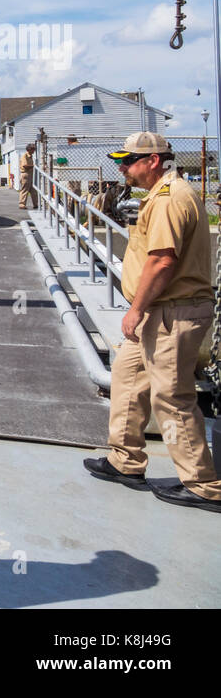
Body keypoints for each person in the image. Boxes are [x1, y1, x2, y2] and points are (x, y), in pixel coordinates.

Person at [83, 133, 221, 511]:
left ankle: (202, 484)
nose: (122, 167)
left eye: (128, 160)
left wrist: (136, 309)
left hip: (171, 312)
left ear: (154, 160)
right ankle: (124, 461)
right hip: (158, 312)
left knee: (171, 397)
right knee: (127, 380)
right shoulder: (160, 195)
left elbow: (162, 260)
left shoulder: (169, 200)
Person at [18, 142, 38, 209]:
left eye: (34, 149)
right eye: (32, 149)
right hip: (25, 174)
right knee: (25, 190)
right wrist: (34, 166)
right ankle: (22, 204)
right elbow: (25, 165)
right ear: (28, 149)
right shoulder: (25, 156)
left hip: (30, 174)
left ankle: (36, 204)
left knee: (33, 190)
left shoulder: (30, 156)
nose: (33, 151)